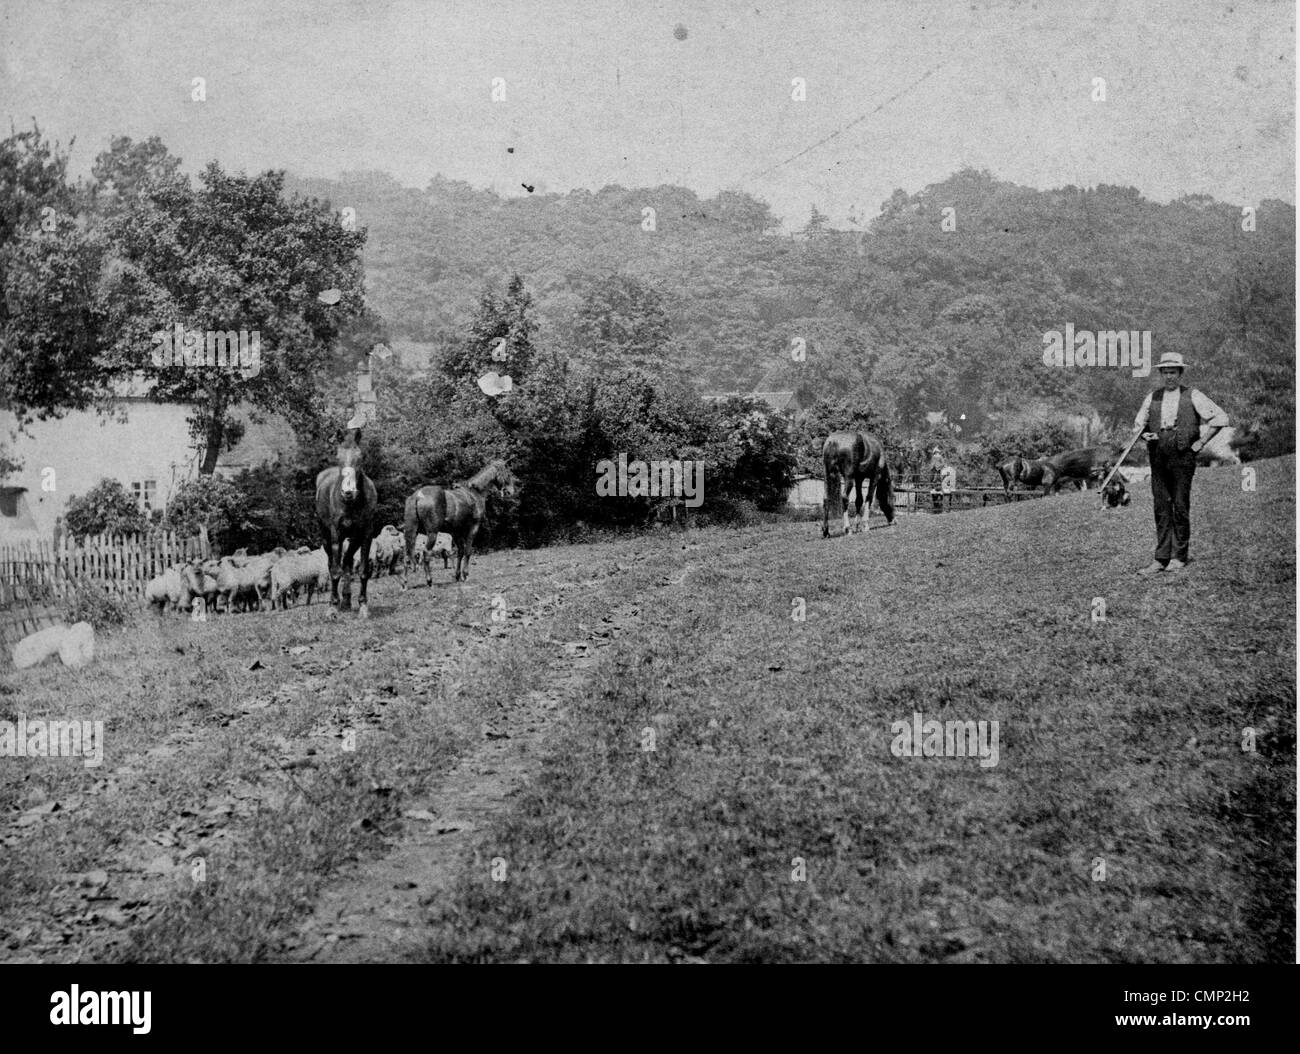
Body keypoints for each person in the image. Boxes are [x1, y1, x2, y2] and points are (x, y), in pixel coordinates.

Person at [1132, 352, 1228, 574]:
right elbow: (1139, 424)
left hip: (1183, 456)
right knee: (1161, 506)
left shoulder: (1193, 395)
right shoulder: (1153, 397)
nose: (1169, 377)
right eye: (1165, 372)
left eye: (1173, 372)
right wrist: (1145, 435)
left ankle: (1179, 556)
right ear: (1160, 374)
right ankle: (1160, 558)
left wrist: (1201, 442)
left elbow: (1220, 418)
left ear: (1180, 373)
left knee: (1180, 505)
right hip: (1158, 456)